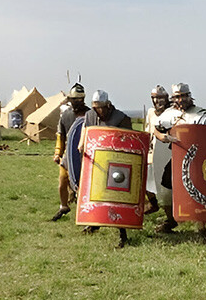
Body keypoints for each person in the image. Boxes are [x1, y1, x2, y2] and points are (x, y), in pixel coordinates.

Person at [152, 83, 206, 237]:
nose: (181, 100)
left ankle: (200, 227)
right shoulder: (169, 114)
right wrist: (162, 137)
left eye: (183, 96)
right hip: (177, 156)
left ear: (189, 96)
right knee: (166, 190)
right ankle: (171, 220)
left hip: (199, 160)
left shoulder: (201, 115)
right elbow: (157, 128)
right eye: (177, 97)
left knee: (197, 191)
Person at [82, 90, 134, 247]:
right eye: (96, 108)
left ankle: (122, 233)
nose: (100, 111)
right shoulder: (90, 116)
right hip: (98, 162)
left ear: (108, 105)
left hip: (117, 164)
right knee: (95, 193)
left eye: (102, 108)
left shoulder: (121, 118)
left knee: (116, 198)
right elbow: (86, 132)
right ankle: (93, 221)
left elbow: (128, 141)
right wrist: (81, 144)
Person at [51, 84, 88, 221]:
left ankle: (85, 214)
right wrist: (57, 153)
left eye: (80, 99)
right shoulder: (66, 115)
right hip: (68, 155)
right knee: (62, 182)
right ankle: (64, 206)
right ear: (70, 100)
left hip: (85, 156)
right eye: (75, 99)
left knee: (83, 187)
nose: (78, 102)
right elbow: (61, 136)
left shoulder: (90, 115)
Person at [145, 85, 171, 216]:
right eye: (154, 98)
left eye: (160, 98)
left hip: (166, 154)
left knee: (165, 187)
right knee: (145, 179)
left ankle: (170, 216)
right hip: (151, 153)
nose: (156, 101)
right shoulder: (150, 113)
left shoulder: (171, 113)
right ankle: (153, 203)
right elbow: (147, 131)